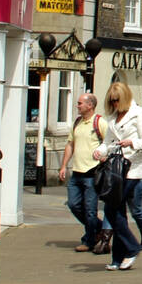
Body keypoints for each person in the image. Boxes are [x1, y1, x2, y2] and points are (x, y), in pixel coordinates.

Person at [93, 80, 142, 270]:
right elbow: (108, 143)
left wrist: (132, 143)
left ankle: (132, 248)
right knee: (117, 212)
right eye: (111, 101)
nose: (114, 104)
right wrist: (99, 151)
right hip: (116, 170)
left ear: (125, 97)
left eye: (117, 100)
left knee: (112, 211)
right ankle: (118, 258)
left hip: (132, 170)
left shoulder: (138, 114)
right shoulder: (112, 118)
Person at [59, 92, 107, 253]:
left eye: (80, 103)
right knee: (73, 204)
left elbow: (110, 144)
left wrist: (104, 157)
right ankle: (100, 228)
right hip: (77, 172)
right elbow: (70, 144)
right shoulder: (77, 122)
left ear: (90, 105)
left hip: (92, 172)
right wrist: (64, 165)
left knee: (90, 209)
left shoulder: (100, 123)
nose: (77, 105)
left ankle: (89, 240)